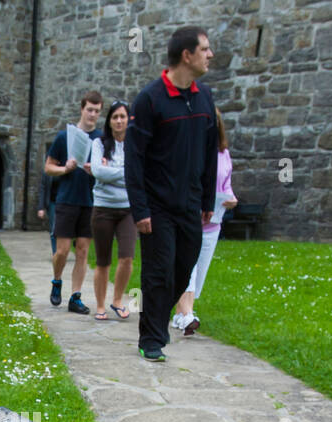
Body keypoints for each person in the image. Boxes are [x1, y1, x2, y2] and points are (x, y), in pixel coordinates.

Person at [124, 27, 218, 362]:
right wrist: (140, 209)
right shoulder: (150, 99)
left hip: (191, 205)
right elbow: (134, 158)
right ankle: (151, 338)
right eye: (205, 49)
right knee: (158, 271)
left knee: (184, 266)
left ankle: (157, 322)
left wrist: (208, 200)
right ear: (186, 55)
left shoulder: (204, 97)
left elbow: (210, 154)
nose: (210, 55)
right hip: (157, 206)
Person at [172, 111, 237, 334]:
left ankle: (182, 315)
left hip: (214, 221)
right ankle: (187, 315)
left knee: (199, 274)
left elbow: (225, 184)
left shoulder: (223, 153)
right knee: (187, 268)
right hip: (190, 219)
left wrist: (231, 198)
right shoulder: (190, 151)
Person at [44, 91, 102, 314]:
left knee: (83, 250)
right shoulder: (64, 137)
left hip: (90, 201)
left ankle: (75, 297)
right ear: (82, 109)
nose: (92, 114)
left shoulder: (100, 139)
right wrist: (64, 168)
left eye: (97, 111)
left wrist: (95, 169)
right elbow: (48, 167)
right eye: (89, 109)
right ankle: (57, 280)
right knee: (62, 250)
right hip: (67, 199)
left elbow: (106, 167)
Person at [89, 100, 136, 322]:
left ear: (128, 119)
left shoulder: (135, 144)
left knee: (127, 257)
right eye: (115, 117)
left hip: (128, 209)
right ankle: (100, 305)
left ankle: (117, 300)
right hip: (103, 208)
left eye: (122, 117)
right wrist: (125, 173)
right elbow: (98, 171)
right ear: (109, 121)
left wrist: (113, 172)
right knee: (103, 261)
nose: (119, 121)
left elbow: (138, 174)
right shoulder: (99, 143)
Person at [36, 153, 60, 254]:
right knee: (53, 229)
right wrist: (41, 207)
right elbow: (43, 189)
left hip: (65, 203)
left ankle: (62, 250)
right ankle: (56, 253)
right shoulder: (47, 172)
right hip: (52, 203)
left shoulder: (67, 169)